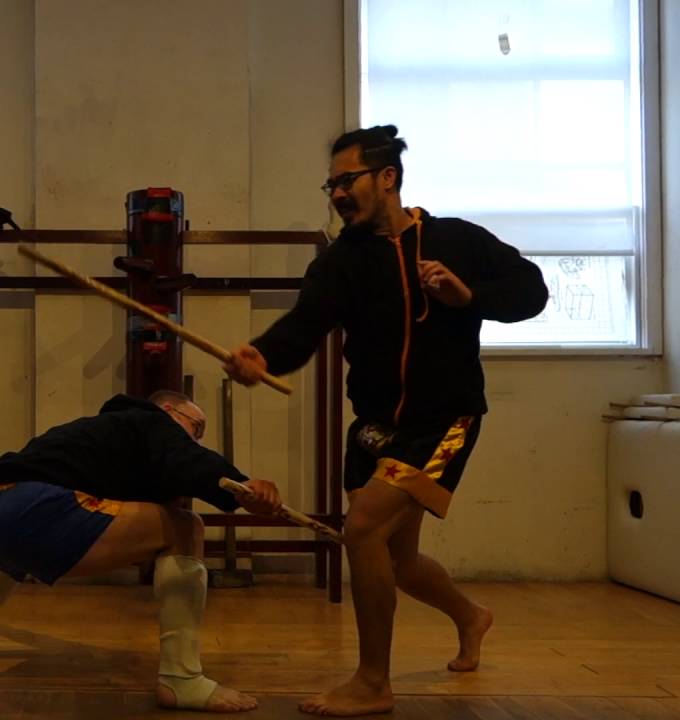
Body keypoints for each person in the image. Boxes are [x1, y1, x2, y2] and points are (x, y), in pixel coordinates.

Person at [225, 125, 549, 716]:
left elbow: (532, 291)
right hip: (373, 426)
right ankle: (472, 617)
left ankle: (373, 683)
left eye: (346, 181)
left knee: (363, 530)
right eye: (331, 184)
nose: (337, 194)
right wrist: (261, 356)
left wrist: (467, 296)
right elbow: (303, 326)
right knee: (395, 561)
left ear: (387, 178)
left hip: (443, 421)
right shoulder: (341, 262)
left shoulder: (456, 240)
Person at [0, 390, 283, 713]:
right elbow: (189, 458)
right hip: (30, 511)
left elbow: (34, 466)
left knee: (17, 534)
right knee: (186, 527)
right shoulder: (153, 422)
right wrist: (242, 486)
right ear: (168, 411)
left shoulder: (100, 432)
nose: (194, 440)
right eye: (195, 428)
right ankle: (182, 680)